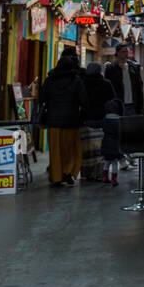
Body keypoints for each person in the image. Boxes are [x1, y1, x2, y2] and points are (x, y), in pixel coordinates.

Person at [39, 47, 87, 188]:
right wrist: (81, 117)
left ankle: (56, 176)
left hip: (53, 121)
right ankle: (68, 172)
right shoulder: (76, 81)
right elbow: (83, 101)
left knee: (55, 151)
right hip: (71, 121)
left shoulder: (49, 80)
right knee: (70, 149)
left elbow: (42, 98)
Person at [105, 45, 143, 115]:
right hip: (118, 104)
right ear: (118, 53)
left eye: (127, 52)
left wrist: (140, 103)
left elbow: (139, 85)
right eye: (123, 51)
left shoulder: (133, 67)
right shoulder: (111, 68)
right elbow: (107, 87)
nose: (126, 54)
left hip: (133, 104)